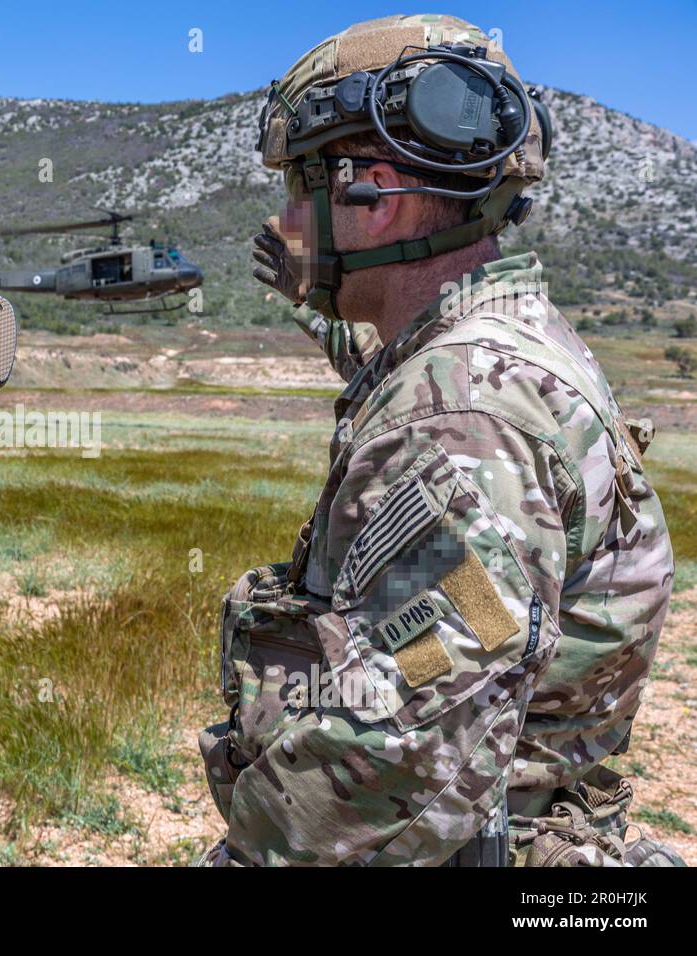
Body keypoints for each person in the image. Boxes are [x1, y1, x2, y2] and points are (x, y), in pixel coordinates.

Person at [199, 15, 681, 866]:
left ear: (375, 197)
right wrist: (327, 301)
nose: (284, 223)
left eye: (296, 191)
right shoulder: (505, 346)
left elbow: (398, 754)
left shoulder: (460, 420)